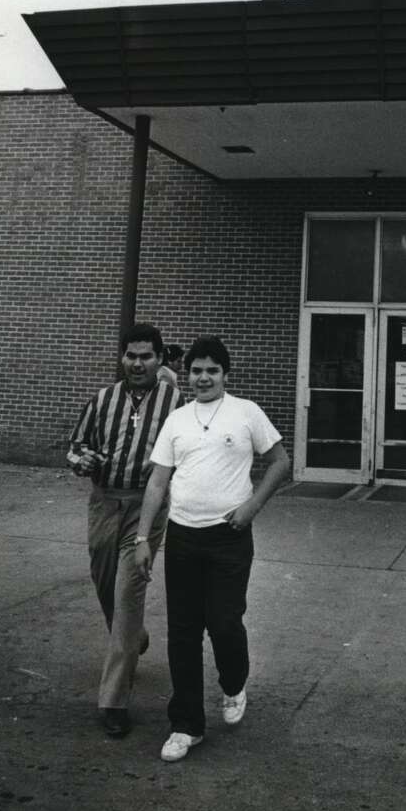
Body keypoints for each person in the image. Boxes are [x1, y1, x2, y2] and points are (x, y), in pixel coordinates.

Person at [135, 335, 291, 763]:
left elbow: (280, 461)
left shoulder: (246, 413)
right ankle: (186, 725)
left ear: (225, 374)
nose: (203, 378)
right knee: (182, 634)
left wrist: (252, 506)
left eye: (212, 370)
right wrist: (143, 538)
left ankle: (233, 682)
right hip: (183, 538)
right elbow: (158, 481)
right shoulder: (178, 420)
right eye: (197, 371)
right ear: (188, 375)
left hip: (229, 537)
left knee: (224, 623)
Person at [67, 322, 181, 738]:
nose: (137, 364)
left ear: (159, 358)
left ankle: (113, 700)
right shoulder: (102, 400)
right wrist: (82, 460)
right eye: (131, 356)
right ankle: (135, 637)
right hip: (104, 500)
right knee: (104, 579)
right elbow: (76, 445)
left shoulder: (176, 403)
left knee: (129, 591)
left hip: (147, 507)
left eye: (146, 356)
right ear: (122, 358)